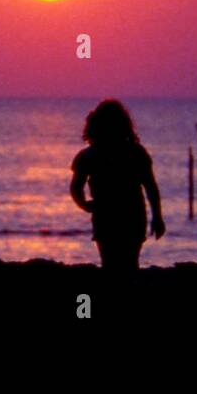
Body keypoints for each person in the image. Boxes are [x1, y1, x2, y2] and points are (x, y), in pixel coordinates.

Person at [69, 99, 165, 270]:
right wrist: (157, 217)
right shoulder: (136, 152)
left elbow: (76, 188)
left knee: (110, 265)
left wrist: (84, 204)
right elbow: (151, 188)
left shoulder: (90, 155)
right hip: (130, 214)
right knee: (129, 264)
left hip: (108, 215)